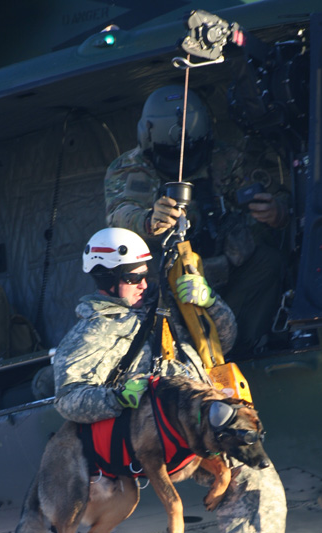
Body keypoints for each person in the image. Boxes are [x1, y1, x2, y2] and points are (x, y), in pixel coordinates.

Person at [53, 226, 308, 533]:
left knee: (258, 480)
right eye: (134, 278)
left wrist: (208, 301)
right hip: (159, 435)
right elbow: (68, 399)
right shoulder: (93, 332)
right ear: (109, 281)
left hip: (200, 417)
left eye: (144, 275)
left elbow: (219, 341)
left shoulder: (162, 309)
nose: (143, 284)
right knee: (246, 469)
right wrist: (116, 398)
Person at [104, 85, 291, 356]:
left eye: (192, 150)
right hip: (166, 281)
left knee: (269, 262)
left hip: (228, 266)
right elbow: (119, 213)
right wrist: (148, 220)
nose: (182, 159)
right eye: (170, 152)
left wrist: (278, 212)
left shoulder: (225, 159)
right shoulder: (129, 169)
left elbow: (276, 193)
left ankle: (246, 349)